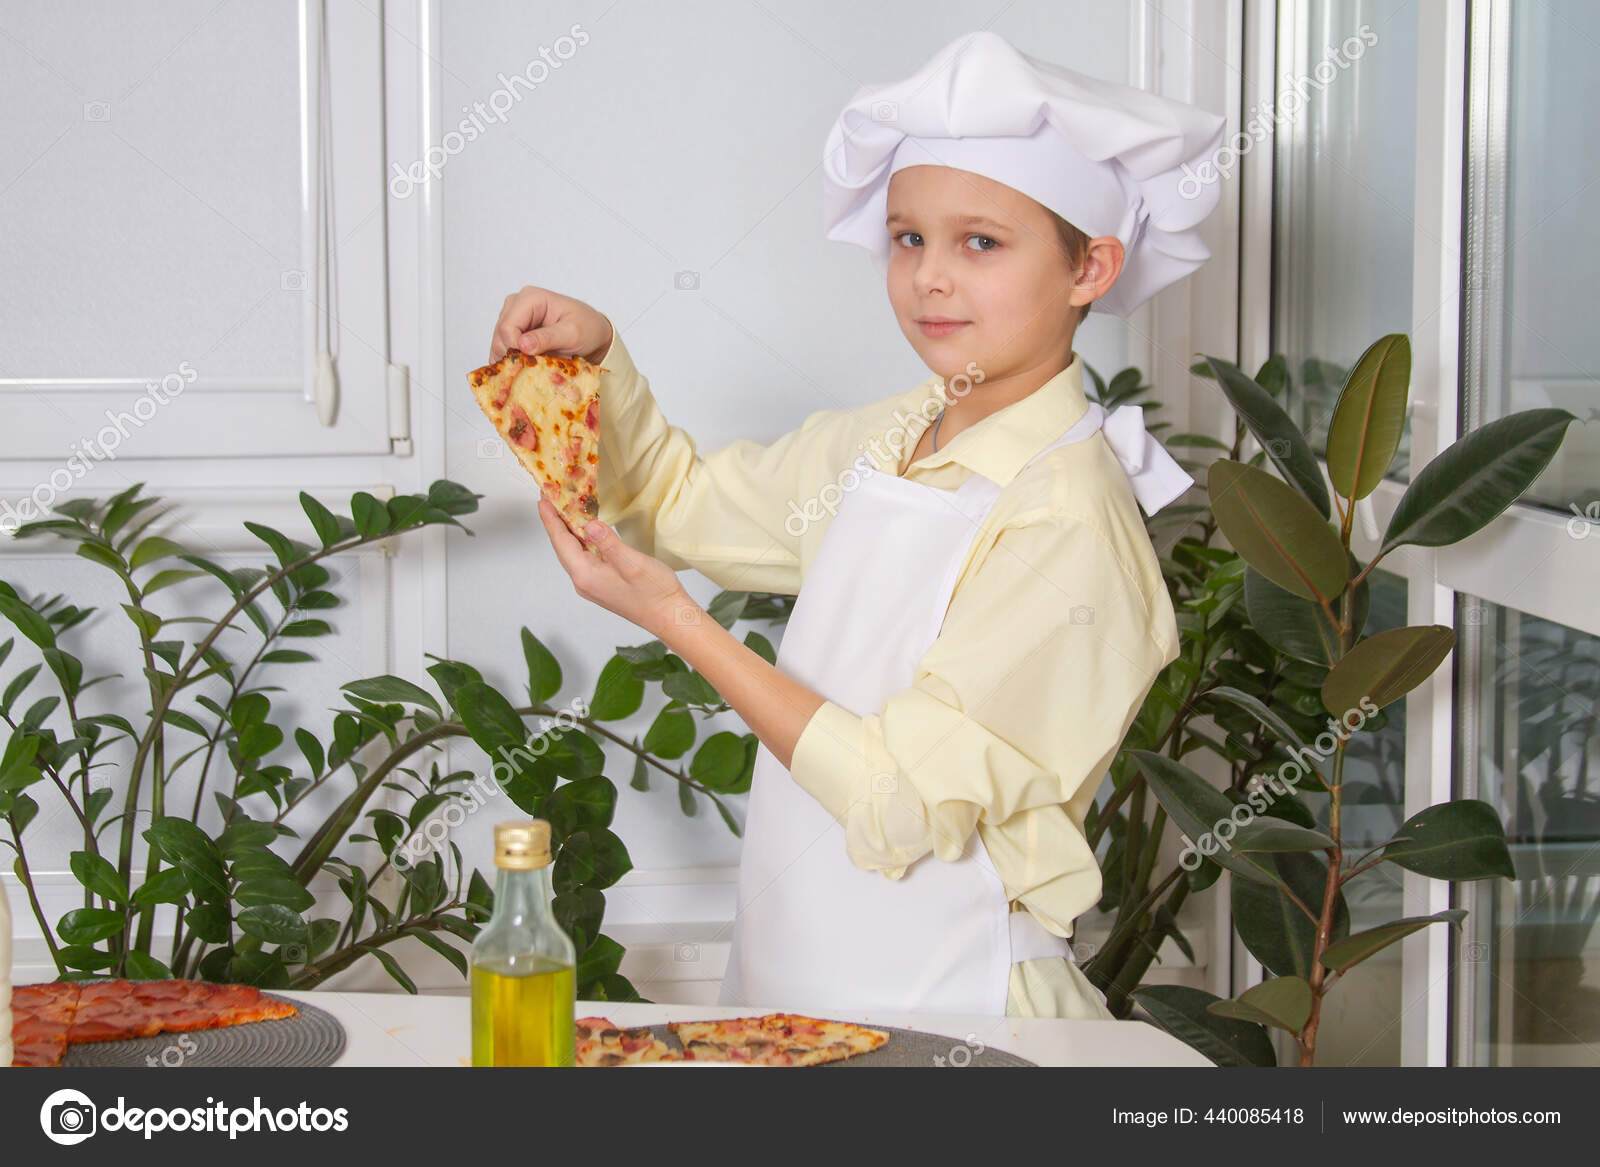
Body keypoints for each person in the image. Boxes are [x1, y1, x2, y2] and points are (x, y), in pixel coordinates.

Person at [487, 30, 1225, 1020]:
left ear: (1089, 267)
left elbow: (897, 801)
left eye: (980, 242)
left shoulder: (1068, 520)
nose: (929, 277)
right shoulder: (890, 437)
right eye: (908, 237)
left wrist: (681, 626)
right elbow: (678, 505)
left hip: (957, 1002)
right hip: (794, 976)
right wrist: (594, 363)